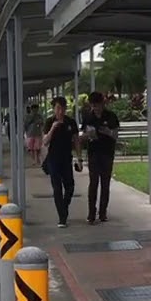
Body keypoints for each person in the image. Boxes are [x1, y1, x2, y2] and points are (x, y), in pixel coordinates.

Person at [81, 91, 121, 224]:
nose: (95, 108)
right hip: (93, 153)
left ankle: (103, 213)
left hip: (107, 153)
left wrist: (107, 132)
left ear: (102, 104)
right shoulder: (88, 117)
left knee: (105, 183)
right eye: (93, 106)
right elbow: (84, 134)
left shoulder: (111, 116)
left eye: (98, 105)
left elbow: (116, 135)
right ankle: (91, 213)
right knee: (93, 183)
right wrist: (89, 135)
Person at [42, 96, 81, 228]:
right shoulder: (49, 122)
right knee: (57, 187)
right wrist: (53, 129)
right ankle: (62, 217)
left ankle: (64, 207)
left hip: (66, 159)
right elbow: (45, 142)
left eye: (63, 108)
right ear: (54, 109)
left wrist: (79, 158)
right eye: (58, 108)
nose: (60, 111)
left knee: (70, 186)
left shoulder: (71, 122)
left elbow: (76, 140)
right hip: (53, 159)